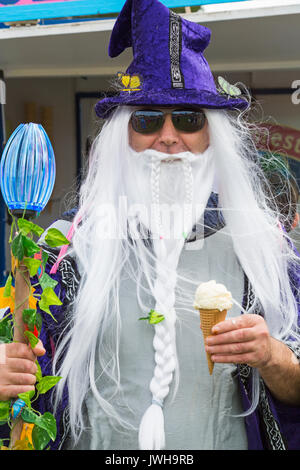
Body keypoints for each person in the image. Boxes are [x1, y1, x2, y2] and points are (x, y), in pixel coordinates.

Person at [1, 0, 300, 451]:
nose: (167, 136)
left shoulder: (262, 248)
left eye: (187, 119)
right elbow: (20, 366)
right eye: (146, 119)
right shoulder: (64, 250)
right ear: (124, 135)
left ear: (210, 135)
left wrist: (273, 356)